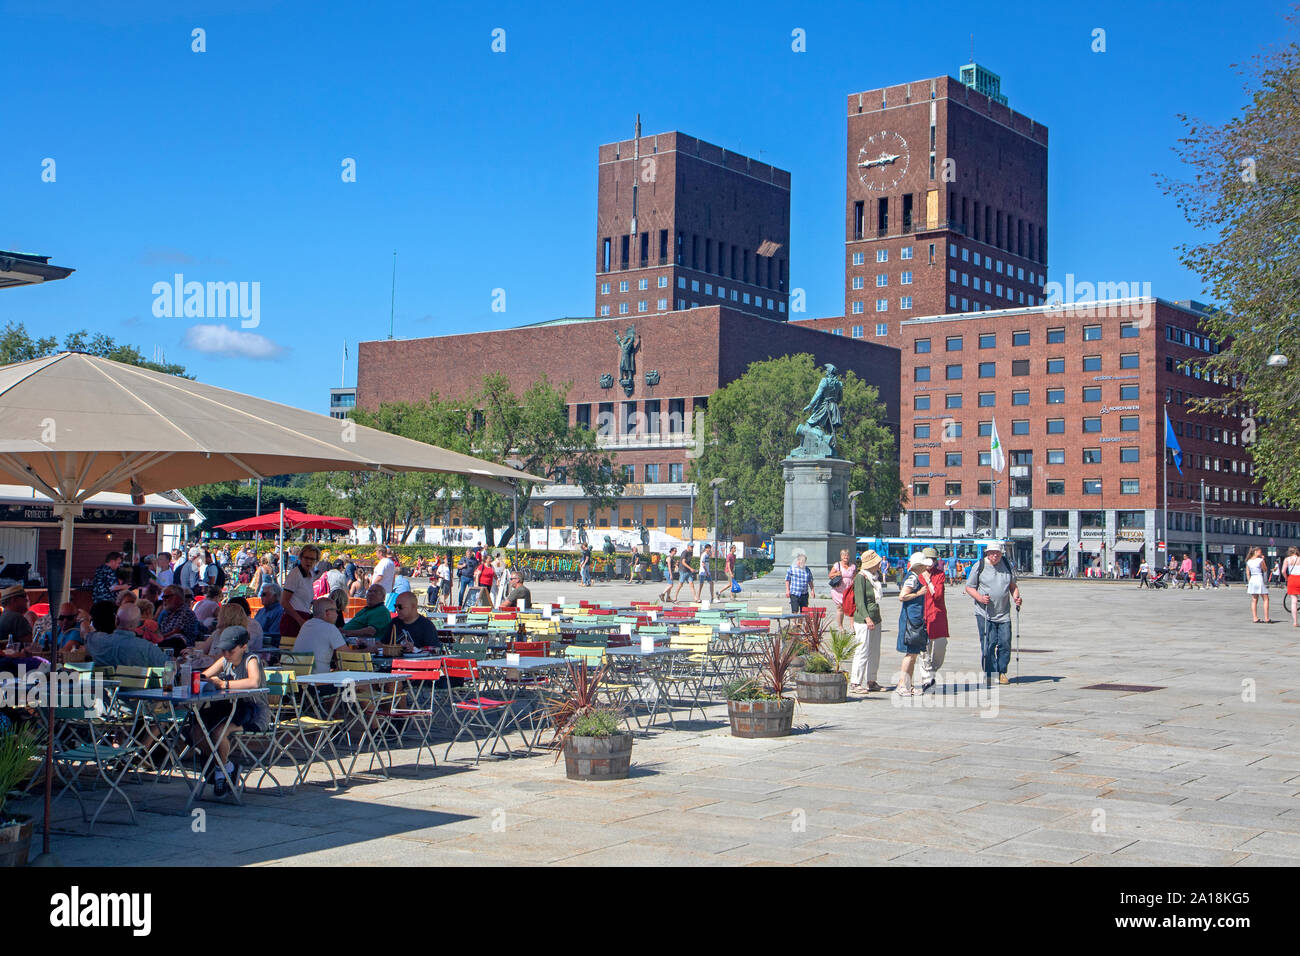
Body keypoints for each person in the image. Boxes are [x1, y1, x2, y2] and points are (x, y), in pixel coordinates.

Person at [194, 626, 268, 797]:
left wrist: (224, 684)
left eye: (231, 650)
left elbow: (254, 682)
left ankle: (220, 771)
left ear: (244, 646)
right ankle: (225, 766)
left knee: (219, 732)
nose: (227, 654)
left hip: (253, 713)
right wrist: (195, 677)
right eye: (224, 650)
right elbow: (204, 676)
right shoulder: (224, 660)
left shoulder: (251, 659)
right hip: (229, 710)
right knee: (196, 730)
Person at [964, 541, 1022, 686]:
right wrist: (980, 598)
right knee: (988, 645)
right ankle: (990, 673)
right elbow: (969, 587)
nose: (995, 555)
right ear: (987, 553)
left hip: (1003, 613)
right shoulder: (980, 565)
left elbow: (1013, 586)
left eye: (998, 553)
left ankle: (1001, 672)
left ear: (1001, 554)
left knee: (1005, 643)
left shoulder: (1006, 565)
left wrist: (1016, 597)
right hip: (984, 613)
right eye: (992, 553)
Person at [894, 553, 931, 696]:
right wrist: (918, 593)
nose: (926, 567)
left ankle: (909, 685)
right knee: (910, 654)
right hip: (910, 621)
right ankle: (902, 684)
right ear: (919, 566)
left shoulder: (915, 577)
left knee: (914, 653)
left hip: (915, 620)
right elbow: (902, 596)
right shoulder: (912, 578)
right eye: (923, 565)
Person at [88, 603, 169, 668]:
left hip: (103, 684)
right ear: (137, 624)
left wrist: (84, 620)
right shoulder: (148, 648)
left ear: (116, 620)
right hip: (137, 684)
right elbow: (170, 666)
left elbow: (85, 633)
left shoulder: (96, 640)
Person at [916, 546, 950, 693]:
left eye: (932, 560)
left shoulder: (940, 574)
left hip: (937, 616)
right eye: (927, 559)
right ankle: (927, 679)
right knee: (924, 650)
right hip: (922, 616)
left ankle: (932, 671)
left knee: (941, 646)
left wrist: (929, 581)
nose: (930, 563)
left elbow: (937, 595)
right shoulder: (916, 574)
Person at [849, 550, 883, 693]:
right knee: (862, 651)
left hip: (876, 618)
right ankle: (855, 682)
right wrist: (867, 618)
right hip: (864, 620)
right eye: (877, 563)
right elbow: (859, 601)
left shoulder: (874, 577)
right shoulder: (860, 578)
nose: (879, 565)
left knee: (874, 651)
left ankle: (871, 681)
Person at [295, 597, 348, 673]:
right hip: (318, 678)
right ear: (327, 612)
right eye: (335, 611)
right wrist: (366, 651)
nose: (337, 614)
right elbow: (347, 654)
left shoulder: (306, 624)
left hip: (298, 676)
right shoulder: (329, 627)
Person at [279, 544, 320, 640]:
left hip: (304, 617)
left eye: (312, 559)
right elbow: (284, 602)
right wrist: (300, 620)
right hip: (292, 620)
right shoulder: (295, 574)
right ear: (300, 557)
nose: (309, 561)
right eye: (306, 558)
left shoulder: (310, 575)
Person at [156, 585, 204, 652]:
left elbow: (176, 632)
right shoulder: (167, 613)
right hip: (166, 645)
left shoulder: (186, 612)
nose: (163, 599)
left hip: (182, 649)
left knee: (177, 639)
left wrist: (158, 639)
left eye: (166, 597)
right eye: (163, 597)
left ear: (178, 598)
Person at [828, 548, 856, 631]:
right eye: (844, 555)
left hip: (849, 590)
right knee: (840, 608)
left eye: (847, 555)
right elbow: (830, 575)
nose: (845, 557)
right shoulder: (837, 565)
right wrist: (837, 573)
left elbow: (855, 577)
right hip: (838, 590)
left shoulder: (853, 566)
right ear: (841, 556)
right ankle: (840, 627)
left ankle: (852, 627)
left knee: (851, 607)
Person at [784, 550, 814, 614]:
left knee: (804, 611)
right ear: (798, 561)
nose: (803, 563)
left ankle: (801, 621)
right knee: (795, 610)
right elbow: (787, 580)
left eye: (804, 562)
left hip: (804, 593)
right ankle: (794, 620)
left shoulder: (807, 569)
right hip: (794, 593)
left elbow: (810, 580)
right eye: (802, 562)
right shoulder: (792, 568)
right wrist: (787, 590)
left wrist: (812, 590)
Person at [1247, 546, 1270, 623]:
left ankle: (1255, 617)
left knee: (1254, 599)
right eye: (1260, 552)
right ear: (1255, 552)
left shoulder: (1249, 561)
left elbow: (1247, 573)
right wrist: (1263, 560)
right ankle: (1266, 618)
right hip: (1259, 578)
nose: (1261, 553)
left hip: (1252, 579)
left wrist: (1249, 581)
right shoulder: (1260, 560)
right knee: (1266, 598)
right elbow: (1265, 569)